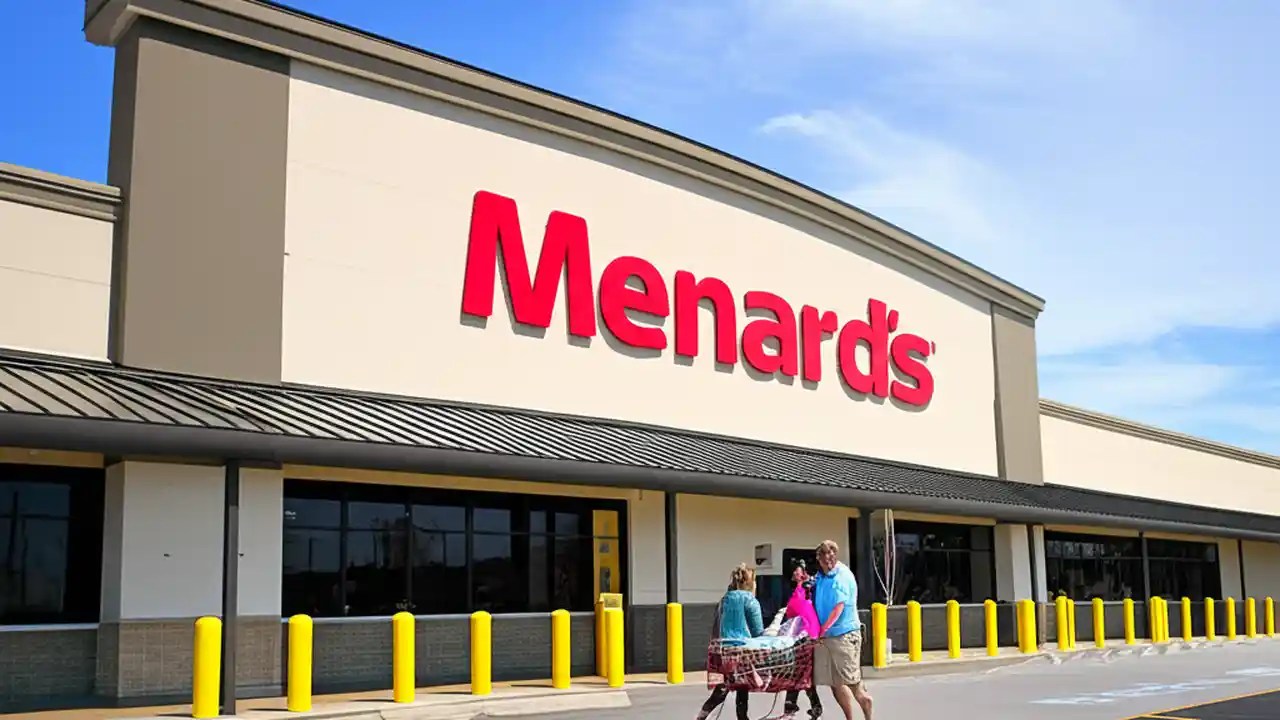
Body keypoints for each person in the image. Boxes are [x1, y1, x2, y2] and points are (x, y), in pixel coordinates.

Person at [813, 540, 872, 720]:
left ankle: (867, 708)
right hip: (828, 637)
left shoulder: (841, 576)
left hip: (844, 635)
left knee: (851, 681)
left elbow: (839, 606)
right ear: (819, 559)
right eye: (824, 557)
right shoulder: (821, 576)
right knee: (835, 682)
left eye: (831, 556)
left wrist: (823, 629)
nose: (828, 561)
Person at [697, 563, 764, 720]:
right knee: (738, 687)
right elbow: (758, 631)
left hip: (721, 651)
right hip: (740, 651)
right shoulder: (750, 600)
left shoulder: (724, 600)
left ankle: (703, 714)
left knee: (731, 687)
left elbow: (716, 626)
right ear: (750, 583)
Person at [776, 559, 824, 719]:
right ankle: (810, 707)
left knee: (801, 671)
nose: (797, 573)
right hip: (798, 635)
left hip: (807, 633)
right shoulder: (795, 590)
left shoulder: (809, 586)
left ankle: (796, 708)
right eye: (795, 572)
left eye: (799, 570)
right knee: (800, 672)